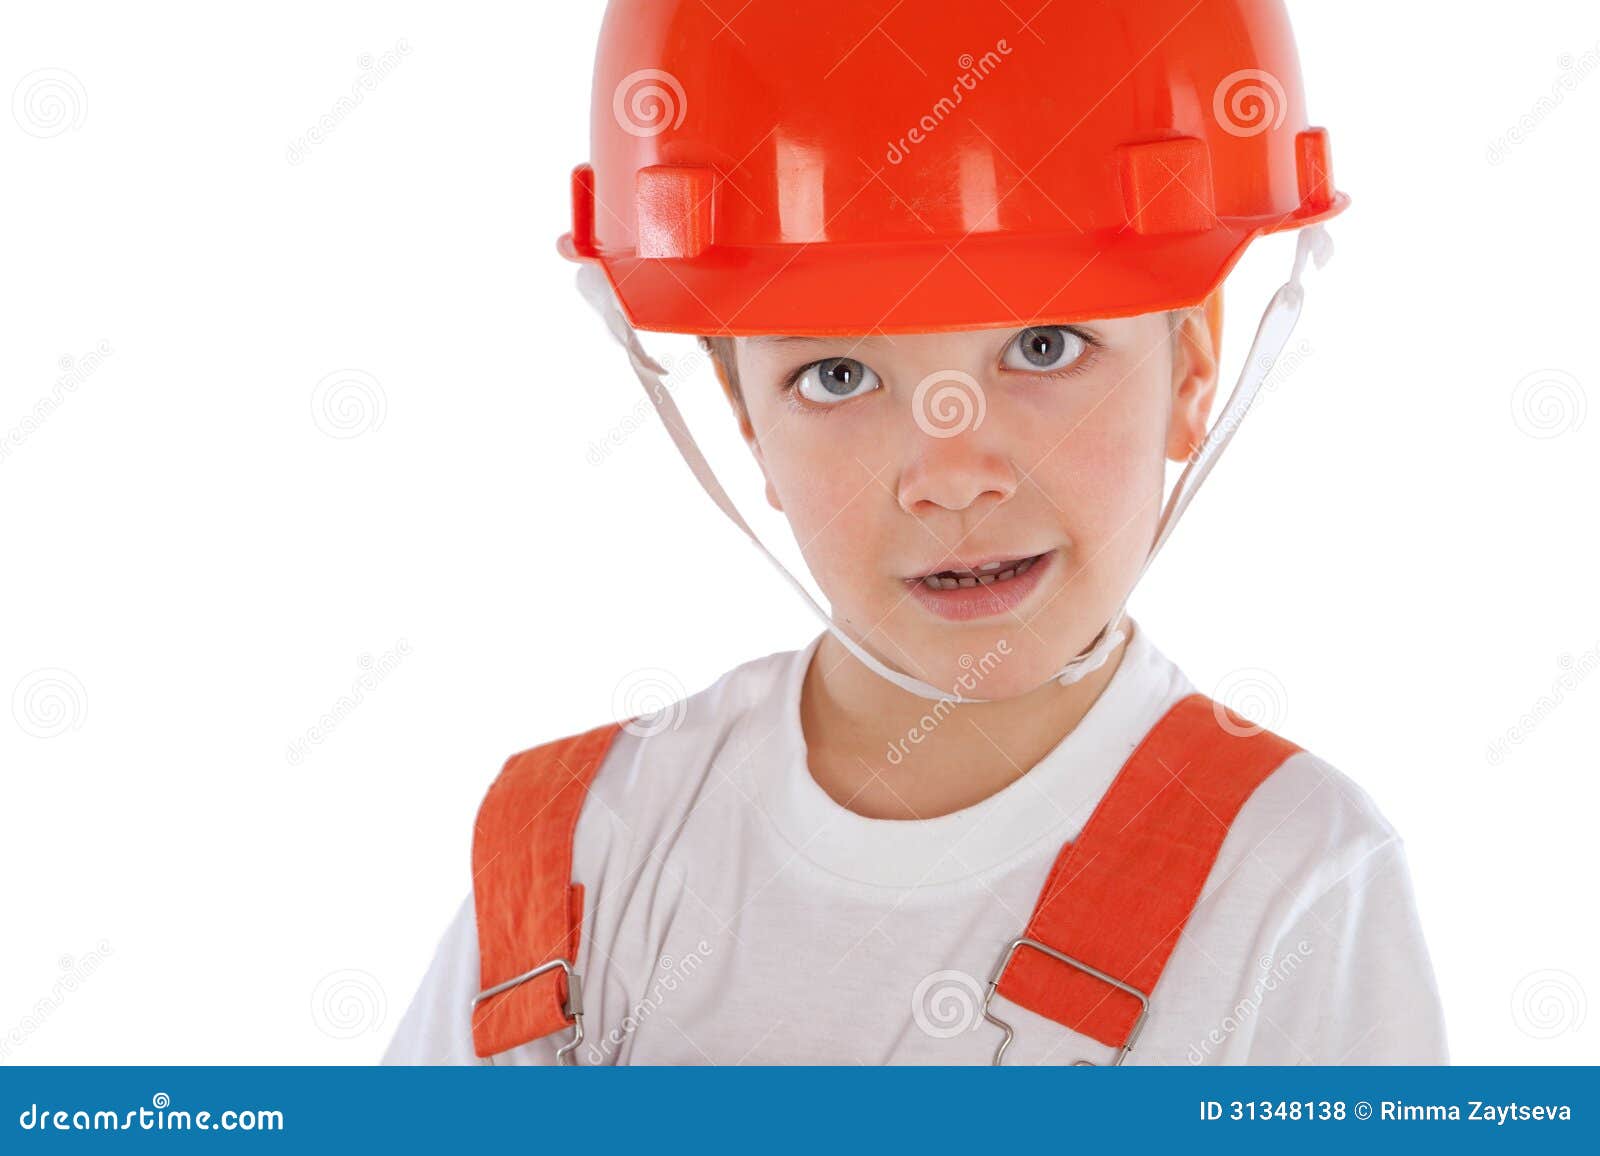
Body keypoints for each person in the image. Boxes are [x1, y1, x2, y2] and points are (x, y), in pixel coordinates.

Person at [384, 0, 1448, 1065]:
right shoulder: (574, 856)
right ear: (744, 412)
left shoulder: (1292, 878)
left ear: (1193, 365)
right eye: (837, 375)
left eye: (1042, 345)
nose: (948, 477)